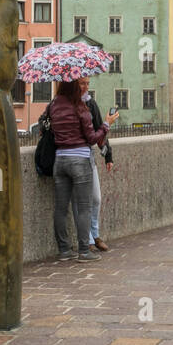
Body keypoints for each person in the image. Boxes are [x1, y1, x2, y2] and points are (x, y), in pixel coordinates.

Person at [48, 76, 117, 260]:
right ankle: (84, 251)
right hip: (79, 159)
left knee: (61, 208)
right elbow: (92, 138)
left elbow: (45, 127)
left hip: (60, 160)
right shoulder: (80, 107)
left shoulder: (53, 105)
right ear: (74, 86)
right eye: (82, 84)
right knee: (85, 207)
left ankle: (63, 251)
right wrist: (107, 124)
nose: (85, 87)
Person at [82, 82, 115, 252]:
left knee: (96, 198)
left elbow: (99, 130)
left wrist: (107, 155)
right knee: (81, 202)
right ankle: (87, 239)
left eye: (87, 83)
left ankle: (94, 235)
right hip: (71, 158)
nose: (86, 87)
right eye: (82, 83)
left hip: (87, 157)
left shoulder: (90, 103)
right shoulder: (60, 103)